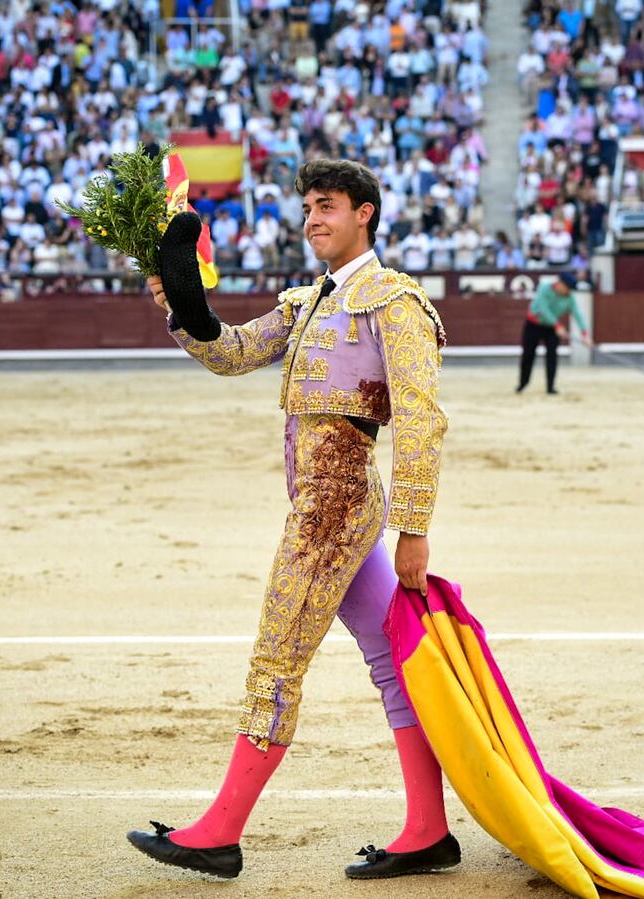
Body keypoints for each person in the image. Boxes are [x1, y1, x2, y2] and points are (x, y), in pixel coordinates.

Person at [129, 159, 455, 880]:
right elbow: (234, 352)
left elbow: (422, 421)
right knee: (391, 659)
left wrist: (414, 527)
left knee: (277, 659)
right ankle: (428, 828)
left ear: (364, 213)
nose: (313, 218)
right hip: (321, 504)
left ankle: (219, 832)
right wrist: (181, 297)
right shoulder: (310, 300)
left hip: (334, 511)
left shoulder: (393, 302)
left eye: (328, 206)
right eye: (308, 206)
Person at [516, 273, 590, 395]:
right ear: (560, 284)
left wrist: (585, 334)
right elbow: (543, 309)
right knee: (528, 355)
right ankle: (522, 384)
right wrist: (557, 325)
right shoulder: (545, 288)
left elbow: (577, 314)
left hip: (551, 328)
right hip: (533, 325)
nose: (568, 292)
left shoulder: (568, 297)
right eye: (568, 288)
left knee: (552, 356)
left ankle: (550, 387)